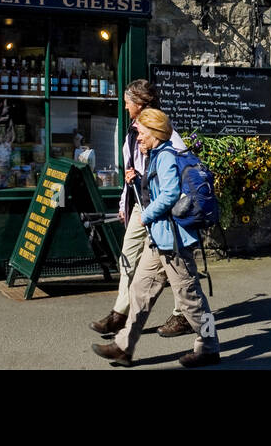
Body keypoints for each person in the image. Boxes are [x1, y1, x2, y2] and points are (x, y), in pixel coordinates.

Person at [93, 108, 220, 367]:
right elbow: (159, 188)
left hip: (174, 243)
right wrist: (137, 179)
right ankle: (122, 347)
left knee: (192, 300)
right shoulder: (155, 156)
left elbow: (171, 193)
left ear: (155, 132)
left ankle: (209, 346)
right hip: (158, 241)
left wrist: (146, 215)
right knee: (139, 291)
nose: (138, 138)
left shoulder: (165, 157)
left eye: (141, 133)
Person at [88, 80, 192, 340]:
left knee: (174, 263)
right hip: (139, 205)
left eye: (127, 103)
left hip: (161, 208)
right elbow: (130, 170)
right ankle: (119, 313)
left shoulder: (166, 132)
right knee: (128, 256)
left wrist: (149, 178)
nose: (125, 108)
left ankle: (184, 315)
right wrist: (126, 197)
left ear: (140, 104)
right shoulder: (132, 133)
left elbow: (176, 169)